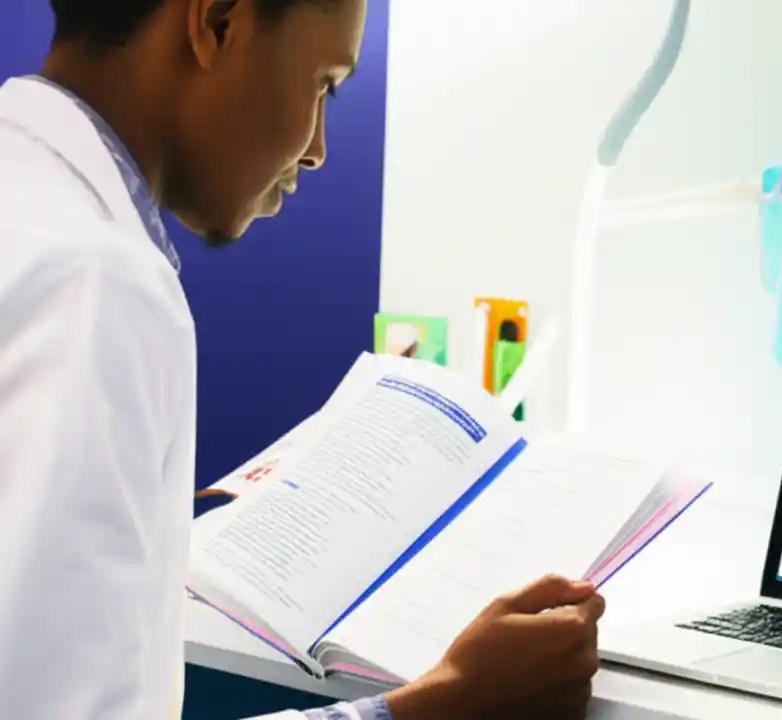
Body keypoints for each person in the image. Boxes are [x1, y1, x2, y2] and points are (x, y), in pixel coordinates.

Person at [0, 1, 605, 719]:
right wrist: (442, 704)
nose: (317, 147)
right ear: (217, 23)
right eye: (323, 83)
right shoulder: (96, 282)